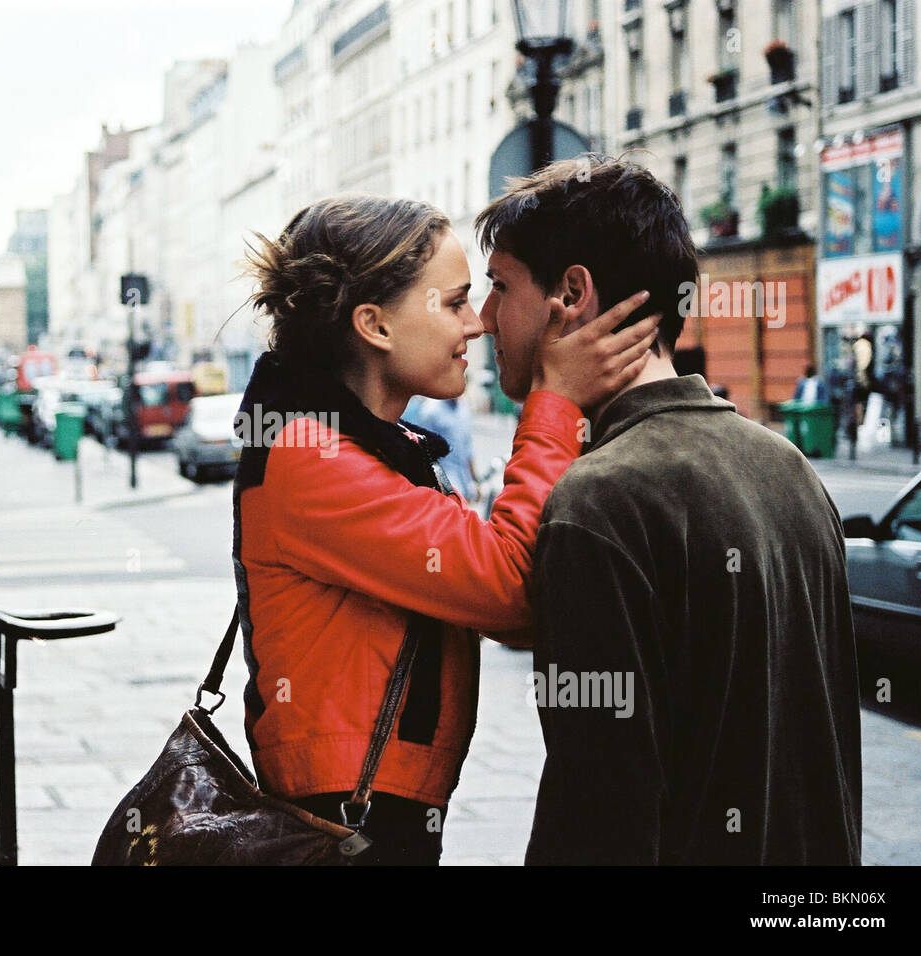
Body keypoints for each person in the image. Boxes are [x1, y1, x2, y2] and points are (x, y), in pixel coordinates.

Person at [234, 194, 660, 865]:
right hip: (343, 821)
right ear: (375, 325)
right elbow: (511, 587)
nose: (478, 324)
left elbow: (510, 611)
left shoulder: (376, 447)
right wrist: (555, 404)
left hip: (374, 806)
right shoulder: (312, 461)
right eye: (456, 301)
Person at [472, 156, 861, 865]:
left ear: (572, 292)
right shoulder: (791, 469)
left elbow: (600, 810)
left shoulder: (599, 500)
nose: (483, 318)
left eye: (500, 287)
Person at [402, 396, 478, 501]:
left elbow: (467, 449)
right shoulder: (430, 411)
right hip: (445, 486)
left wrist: (474, 481)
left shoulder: (464, 408)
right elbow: (423, 451)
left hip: (464, 483)